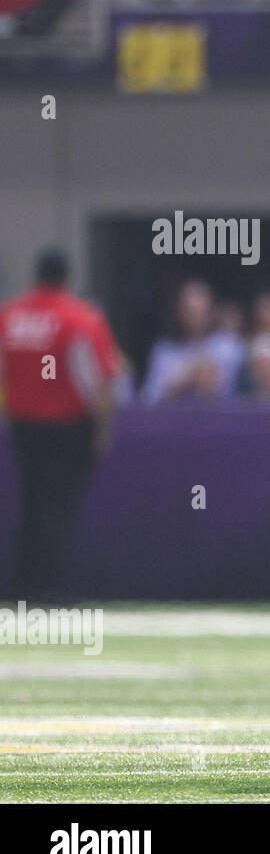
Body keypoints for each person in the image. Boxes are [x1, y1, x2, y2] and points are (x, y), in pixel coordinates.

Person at [0, 250, 122, 600]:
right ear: (67, 278)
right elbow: (98, 379)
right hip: (67, 427)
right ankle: (48, 587)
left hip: (23, 426)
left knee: (32, 503)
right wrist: (102, 430)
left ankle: (23, 585)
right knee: (58, 507)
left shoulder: (10, 318)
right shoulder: (80, 319)